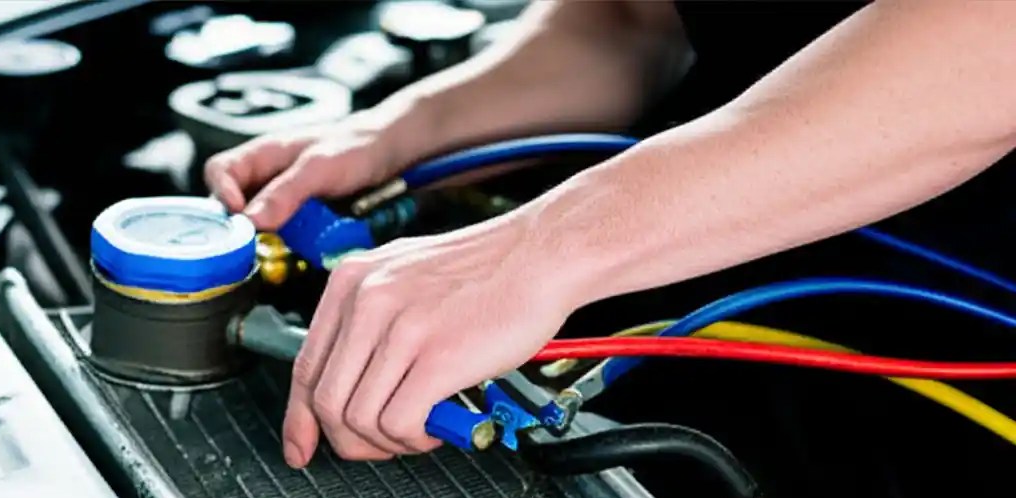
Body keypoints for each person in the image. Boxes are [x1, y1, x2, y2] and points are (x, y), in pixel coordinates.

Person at [204, 0, 1016, 469]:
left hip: (966, 364)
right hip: (696, 295)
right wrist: (402, 132)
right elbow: (628, 23)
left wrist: (541, 249)